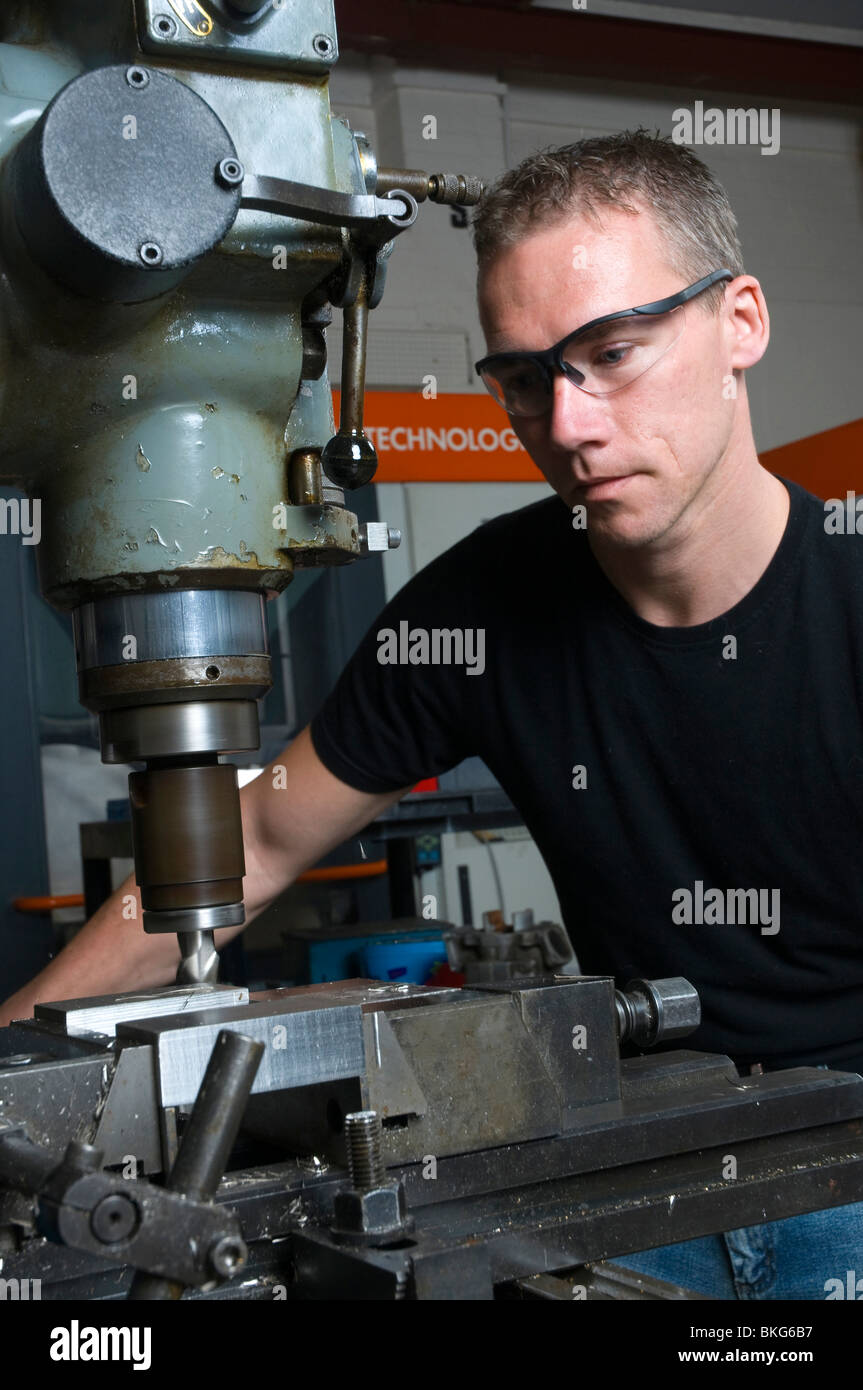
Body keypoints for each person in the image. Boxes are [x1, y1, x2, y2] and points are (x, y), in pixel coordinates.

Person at [2, 129, 861, 1299]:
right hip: (631, 1169)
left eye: (611, 352)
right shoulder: (483, 604)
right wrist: (13, 1056)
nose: (563, 426)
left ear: (740, 323)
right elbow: (256, 839)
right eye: (521, 378)